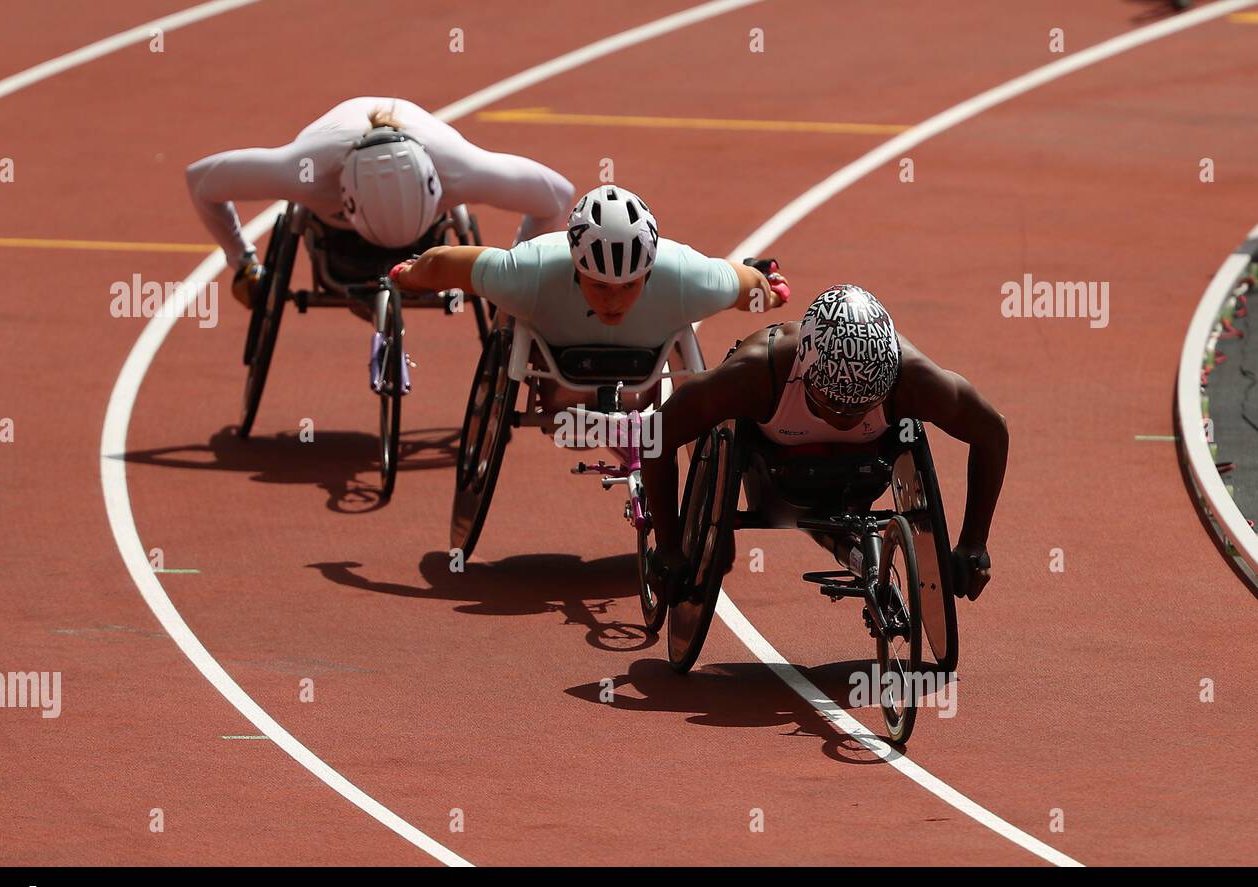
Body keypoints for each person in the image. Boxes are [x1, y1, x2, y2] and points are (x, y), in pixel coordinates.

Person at [641, 284, 1006, 601]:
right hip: (772, 476)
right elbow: (657, 434)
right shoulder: (755, 374)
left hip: (862, 476)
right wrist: (669, 546)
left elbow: (992, 431)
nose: (845, 420)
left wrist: (974, 543)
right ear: (803, 369)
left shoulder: (915, 380)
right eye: (831, 406)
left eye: (861, 409)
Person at [390, 183, 792, 413]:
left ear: (649, 272)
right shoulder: (528, 271)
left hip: (638, 376)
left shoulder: (686, 276)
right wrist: (411, 276)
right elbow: (443, 265)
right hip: (552, 372)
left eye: (629, 285)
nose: (613, 301)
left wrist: (770, 293)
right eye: (599, 285)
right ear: (575, 268)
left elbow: (744, 285)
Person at [185, 96, 576, 307]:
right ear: (345, 196)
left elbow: (557, 195)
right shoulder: (303, 172)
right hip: (340, 241)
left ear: (435, 187)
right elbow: (200, 180)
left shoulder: (461, 169)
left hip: (426, 244)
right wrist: (244, 264)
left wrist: (510, 284)